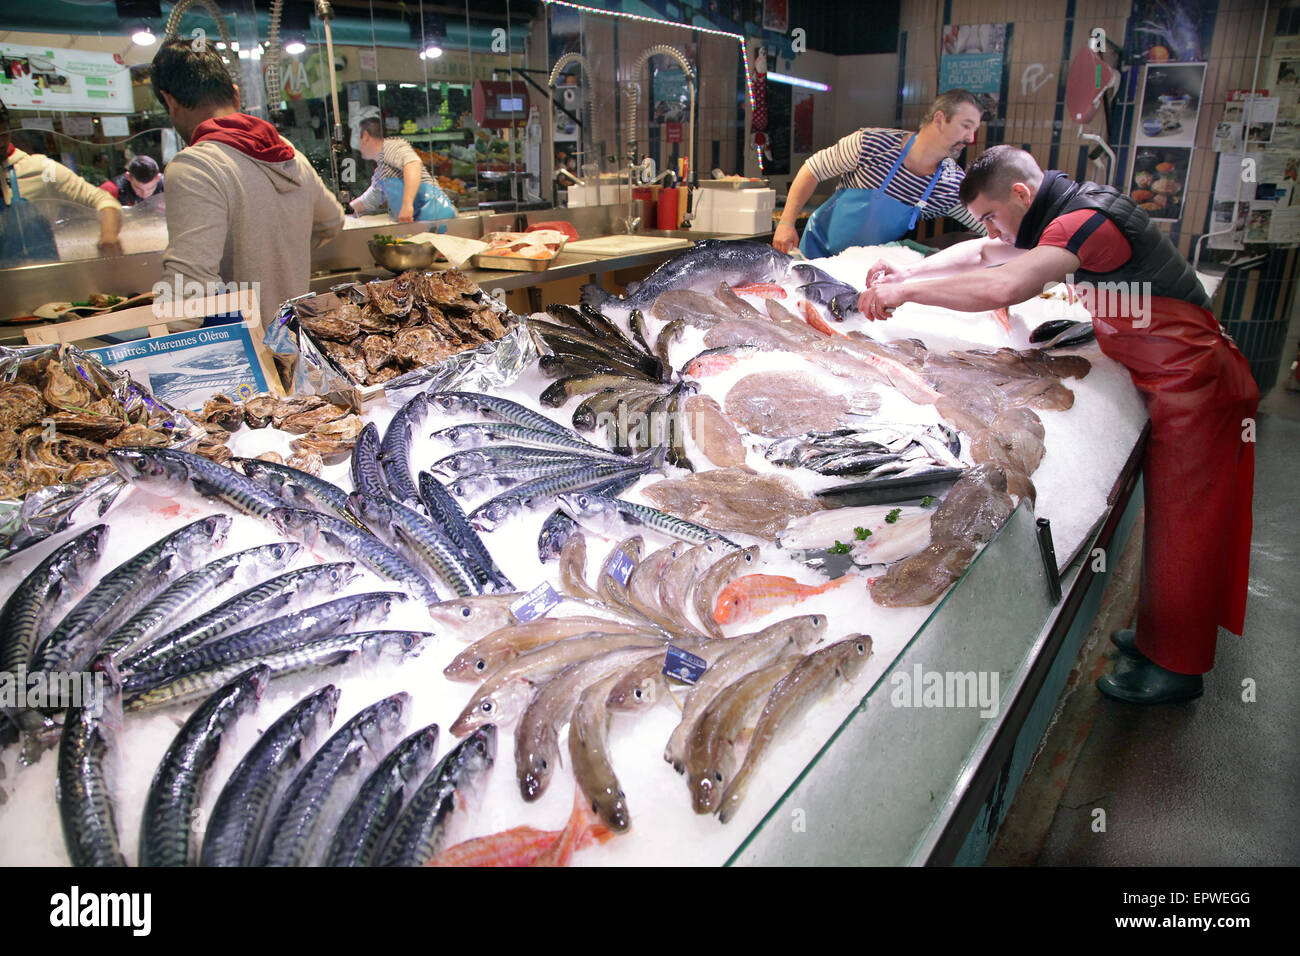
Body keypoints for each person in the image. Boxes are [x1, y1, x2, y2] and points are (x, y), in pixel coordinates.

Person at [858, 145, 1258, 705]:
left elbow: (1003, 286)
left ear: (1021, 194)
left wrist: (903, 292)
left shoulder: (1083, 220)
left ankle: (1175, 666)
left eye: (994, 213)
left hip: (1196, 382)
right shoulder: (1061, 209)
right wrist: (915, 269)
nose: (992, 227)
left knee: (1187, 523)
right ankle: (1158, 637)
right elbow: (985, 252)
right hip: (1173, 378)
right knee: (1171, 517)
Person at [150, 39, 344, 325]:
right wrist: (280, 250)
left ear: (170, 101)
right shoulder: (291, 156)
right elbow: (333, 221)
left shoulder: (196, 166)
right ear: (236, 97)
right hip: (294, 346)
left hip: (245, 357)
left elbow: (187, 297)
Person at [772, 89, 986, 258]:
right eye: (966, 126)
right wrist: (787, 223)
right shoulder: (871, 143)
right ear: (939, 119)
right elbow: (813, 169)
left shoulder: (949, 183)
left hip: (862, 270)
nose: (971, 138)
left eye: (974, 130)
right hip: (814, 254)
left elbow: (987, 222)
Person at [0, 101, 122, 263]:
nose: (1, 143)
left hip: (45, 278)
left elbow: (102, 199)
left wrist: (108, 234)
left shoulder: (43, 169)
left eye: (4, 134)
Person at [349, 117, 455, 223]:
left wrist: (407, 205)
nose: (357, 145)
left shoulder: (389, 146)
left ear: (366, 136)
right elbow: (368, 200)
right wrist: (344, 210)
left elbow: (413, 164)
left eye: (357, 138)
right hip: (423, 222)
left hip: (439, 217)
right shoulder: (381, 172)